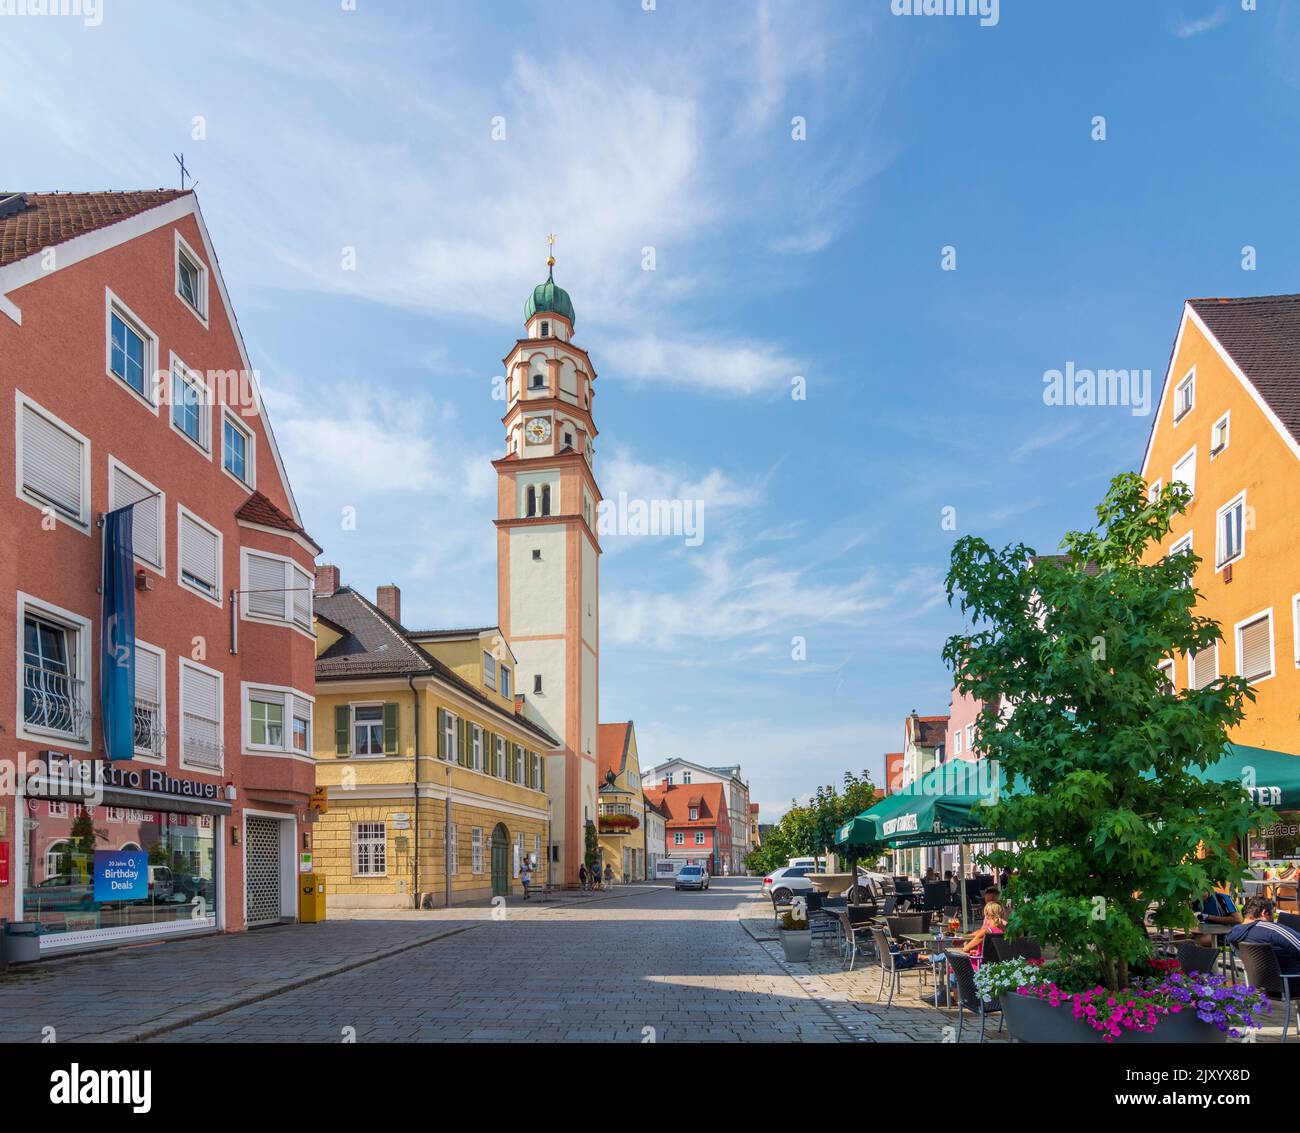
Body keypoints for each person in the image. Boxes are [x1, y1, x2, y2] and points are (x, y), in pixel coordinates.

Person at [1228, 895, 1300, 977]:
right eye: (1272, 913)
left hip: (1264, 982)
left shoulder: (1233, 936)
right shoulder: (1272, 931)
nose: (1273, 918)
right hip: (1292, 979)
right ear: (1265, 913)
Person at [960, 888, 1007, 969]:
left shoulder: (986, 932)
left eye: (991, 900)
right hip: (998, 965)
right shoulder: (1006, 929)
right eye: (987, 900)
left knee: (951, 959)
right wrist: (979, 951)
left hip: (978, 966)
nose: (989, 902)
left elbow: (965, 949)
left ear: (987, 915)